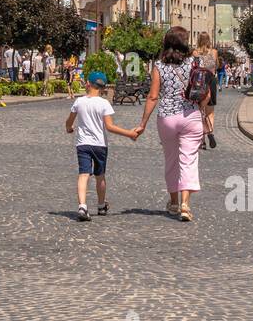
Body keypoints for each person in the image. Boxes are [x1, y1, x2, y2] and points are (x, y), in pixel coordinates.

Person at [137, 26, 207, 222]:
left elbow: (153, 97)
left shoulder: (159, 66)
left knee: (171, 160)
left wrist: (143, 123)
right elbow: (206, 91)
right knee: (188, 160)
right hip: (190, 115)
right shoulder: (195, 62)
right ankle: (185, 204)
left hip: (167, 117)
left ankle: (174, 202)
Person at [66, 71, 140, 221]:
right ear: (102, 87)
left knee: (83, 174)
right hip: (100, 145)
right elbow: (110, 127)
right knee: (100, 176)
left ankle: (82, 206)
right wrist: (129, 134)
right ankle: (101, 205)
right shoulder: (104, 103)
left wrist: (69, 128)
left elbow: (69, 121)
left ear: (88, 84)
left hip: (83, 144)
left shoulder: (79, 102)